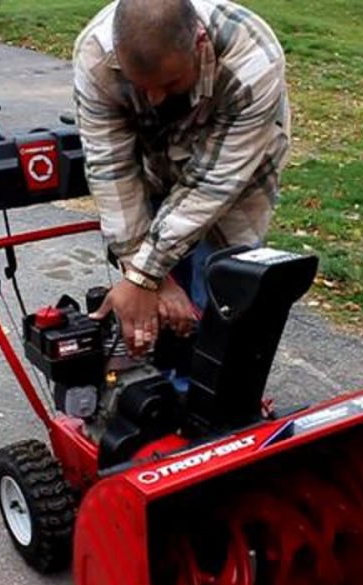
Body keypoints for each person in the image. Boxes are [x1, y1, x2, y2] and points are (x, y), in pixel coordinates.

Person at [73, 0, 290, 356]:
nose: (154, 98)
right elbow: (111, 168)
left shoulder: (252, 60)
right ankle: (157, 388)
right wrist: (145, 275)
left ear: (200, 43)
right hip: (153, 155)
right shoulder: (96, 57)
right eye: (139, 85)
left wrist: (145, 275)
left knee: (222, 288)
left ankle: (215, 397)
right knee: (151, 293)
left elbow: (212, 186)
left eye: (169, 82)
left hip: (234, 169)